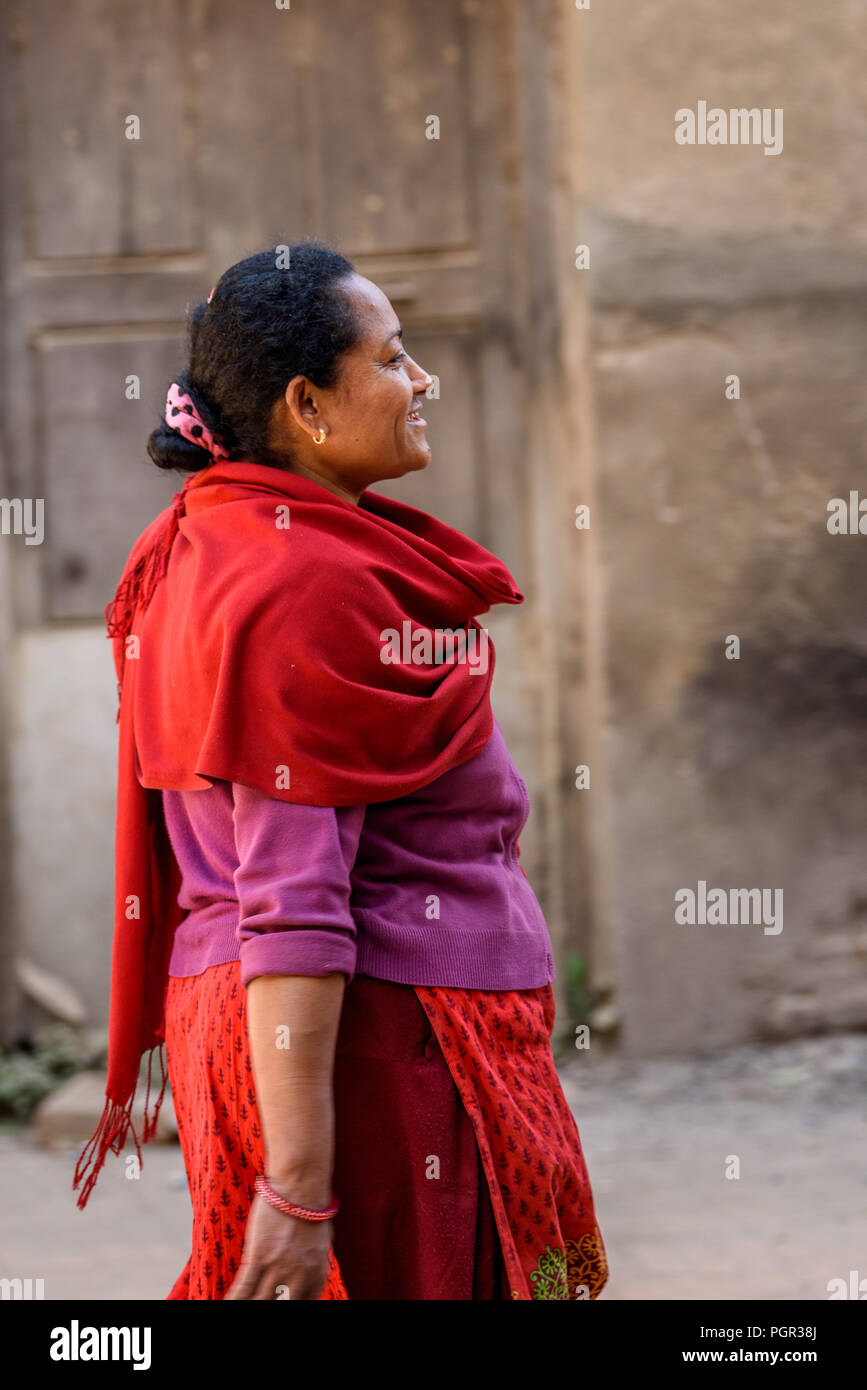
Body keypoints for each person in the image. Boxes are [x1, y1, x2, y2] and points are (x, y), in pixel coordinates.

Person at [73, 240, 609, 1301]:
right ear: (308, 408)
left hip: (283, 1031)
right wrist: (302, 1189)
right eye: (395, 359)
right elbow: (293, 902)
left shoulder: (205, 543)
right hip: (380, 1047)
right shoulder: (297, 585)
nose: (424, 382)